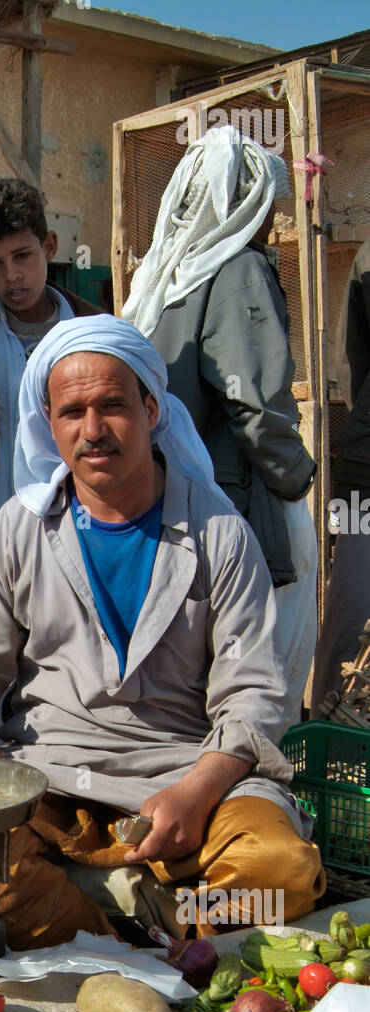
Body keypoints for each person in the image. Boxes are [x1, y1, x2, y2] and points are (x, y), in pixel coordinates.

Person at [0, 317, 325, 948]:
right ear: (48, 425)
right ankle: (125, 945)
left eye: (113, 405)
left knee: (278, 871)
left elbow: (254, 695)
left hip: (188, 777)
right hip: (46, 776)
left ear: (151, 409)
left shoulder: (219, 531)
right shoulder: (20, 529)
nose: (93, 429)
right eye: (72, 411)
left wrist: (196, 794)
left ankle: (104, 926)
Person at [122, 126, 317, 733]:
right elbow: (256, 403)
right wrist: (296, 478)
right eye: (268, 205)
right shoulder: (240, 269)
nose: (272, 220)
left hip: (169, 499)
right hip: (237, 500)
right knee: (260, 665)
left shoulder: (165, 271)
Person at [0, 178, 99, 544]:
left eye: (23, 256)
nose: (12, 275)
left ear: (49, 247)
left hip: (82, 525)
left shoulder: (94, 330)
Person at [311, 236, 370, 714]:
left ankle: (335, 739)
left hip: (361, 456)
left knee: (350, 601)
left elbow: (353, 366)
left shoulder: (369, 249)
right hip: (363, 461)